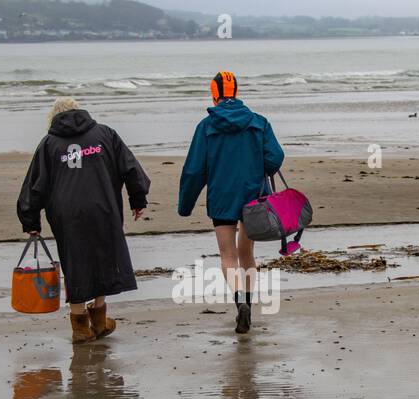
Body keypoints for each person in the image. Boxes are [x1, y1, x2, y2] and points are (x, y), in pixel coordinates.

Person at [17, 97, 150, 343]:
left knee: (74, 260)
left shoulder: (49, 144)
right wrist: (138, 199)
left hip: (66, 215)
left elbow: (34, 186)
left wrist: (31, 221)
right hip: (103, 209)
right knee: (103, 257)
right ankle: (98, 319)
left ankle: (80, 323)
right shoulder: (105, 134)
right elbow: (130, 168)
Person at [178, 71, 285, 334]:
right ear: (236, 92)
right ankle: (248, 301)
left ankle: (240, 303)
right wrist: (258, 167)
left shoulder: (206, 126)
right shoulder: (258, 122)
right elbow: (275, 157)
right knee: (247, 253)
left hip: (222, 197)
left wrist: (186, 205)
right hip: (254, 198)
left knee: (228, 255)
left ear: (214, 93)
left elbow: (194, 170)